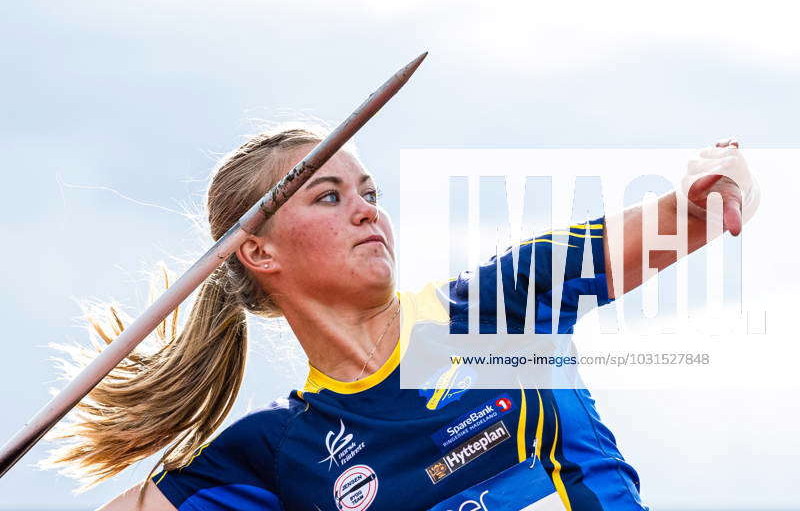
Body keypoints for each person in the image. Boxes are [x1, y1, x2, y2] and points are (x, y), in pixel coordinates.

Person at [41, 128, 758, 510]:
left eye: (369, 190)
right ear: (258, 250)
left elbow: (691, 216)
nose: (366, 209)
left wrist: (722, 178)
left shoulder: (492, 306)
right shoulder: (280, 451)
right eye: (328, 197)